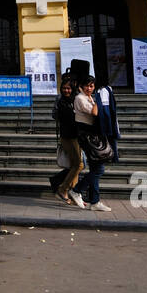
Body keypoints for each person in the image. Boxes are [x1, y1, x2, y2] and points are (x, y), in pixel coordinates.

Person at [73, 76, 112, 212]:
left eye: (92, 86)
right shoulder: (80, 98)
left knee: (95, 168)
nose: (90, 89)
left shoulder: (88, 97)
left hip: (93, 136)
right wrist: (100, 99)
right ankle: (77, 190)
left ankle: (94, 201)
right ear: (81, 86)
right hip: (87, 137)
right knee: (99, 169)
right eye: (87, 86)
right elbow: (95, 112)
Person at [49, 75, 82, 206]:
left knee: (75, 165)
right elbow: (57, 116)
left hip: (76, 136)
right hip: (68, 136)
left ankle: (71, 190)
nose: (66, 90)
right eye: (64, 88)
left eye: (68, 88)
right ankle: (63, 189)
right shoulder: (61, 101)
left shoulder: (75, 99)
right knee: (79, 165)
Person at [94, 76, 123, 165]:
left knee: (110, 140)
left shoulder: (103, 91)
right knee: (111, 140)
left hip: (107, 120)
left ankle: (113, 158)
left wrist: (106, 123)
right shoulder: (107, 89)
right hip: (109, 119)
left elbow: (105, 108)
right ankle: (113, 158)